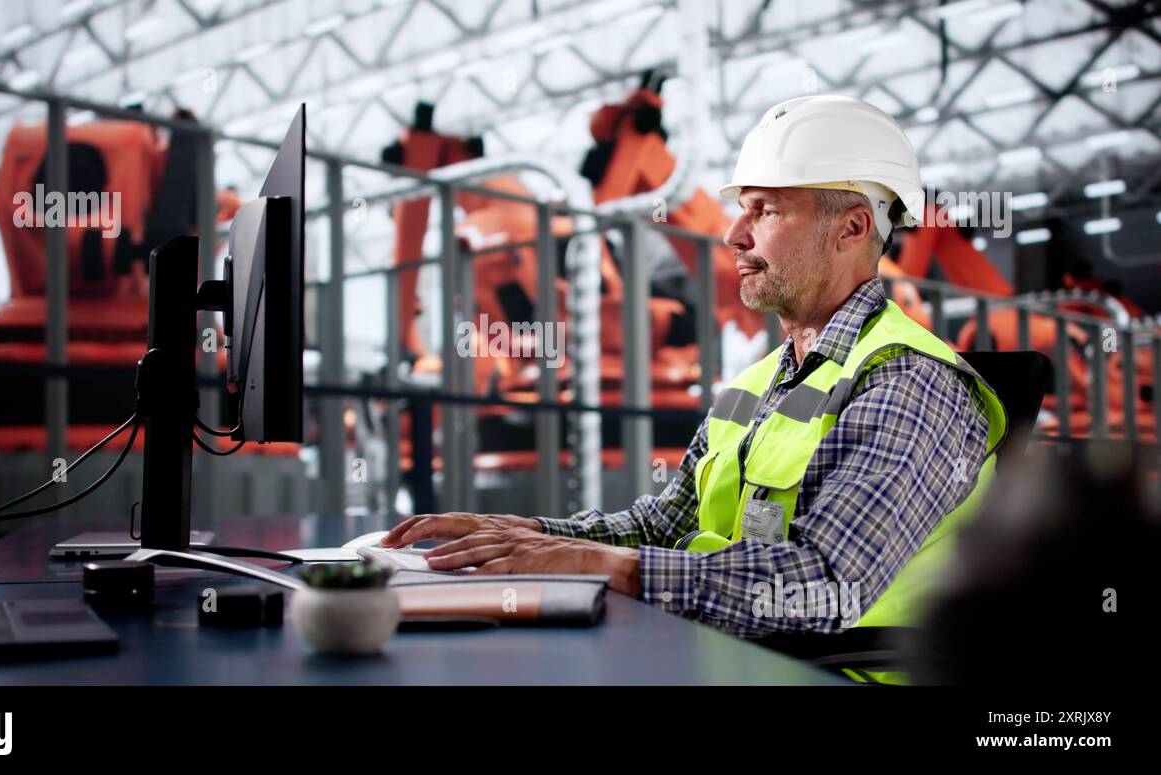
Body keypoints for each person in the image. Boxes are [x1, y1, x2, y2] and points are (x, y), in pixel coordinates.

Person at [382, 95, 1008, 639]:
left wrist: (598, 566)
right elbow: (668, 523)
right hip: (732, 651)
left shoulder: (910, 382)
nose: (735, 234)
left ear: (851, 228)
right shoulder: (755, 382)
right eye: (744, 209)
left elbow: (823, 585)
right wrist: (521, 534)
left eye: (765, 211)